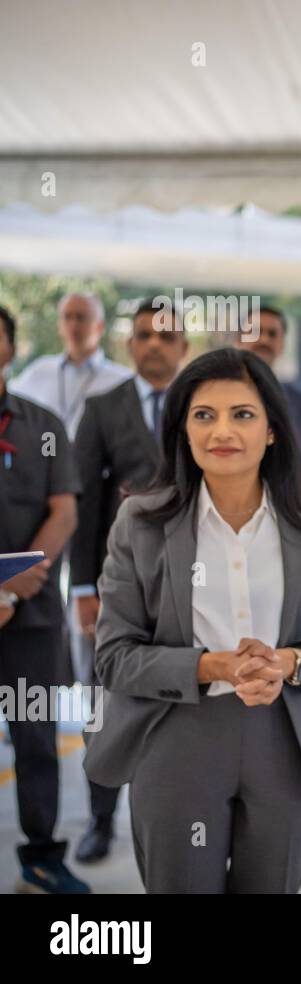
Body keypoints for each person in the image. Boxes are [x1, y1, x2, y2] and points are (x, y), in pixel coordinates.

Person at [84, 347, 301, 893]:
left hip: (285, 744)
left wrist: (291, 661)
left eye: (243, 414)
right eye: (203, 415)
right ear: (183, 429)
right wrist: (212, 667)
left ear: (273, 430)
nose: (221, 430)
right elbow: (113, 658)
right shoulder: (140, 523)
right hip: (176, 740)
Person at [68, 299, 188, 863]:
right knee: (104, 704)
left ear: (183, 346)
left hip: (191, 586)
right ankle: (98, 819)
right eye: (143, 335)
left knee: (180, 702)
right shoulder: (102, 407)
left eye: (165, 336)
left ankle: (179, 815)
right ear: (130, 345)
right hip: (117, 584)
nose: (154, 345)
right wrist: (84, 590)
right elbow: (86, 503)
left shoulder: (202, 406)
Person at [0, 304, 88, 894]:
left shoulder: (43, 425)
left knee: (35, 740)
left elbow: (64, 510)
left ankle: (41, 857)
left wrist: (9, 587)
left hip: (27, 615)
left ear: (9, 348)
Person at [10, 291, 132, 440]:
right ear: (59, 325)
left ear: (100, 326)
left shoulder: (122, 381)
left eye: (81, 318)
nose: (74, 325)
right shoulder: (39, 371)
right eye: (67, 317)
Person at [235, 305, 301, 496]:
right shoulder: (215, 396)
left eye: (272, 334)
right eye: (256, 332)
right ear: (239, 339)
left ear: (282, 344)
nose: (264, 339)